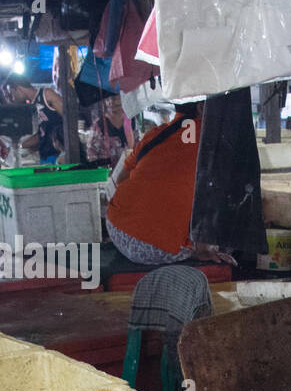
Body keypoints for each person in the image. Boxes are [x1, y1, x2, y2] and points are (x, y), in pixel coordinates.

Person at [105, 102, 230, 266]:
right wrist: (203, 250)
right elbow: (211, 201)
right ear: (201, 107)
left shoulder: (157, 133)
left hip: (116, 227)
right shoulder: (213, 141)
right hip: (152, 248)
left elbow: (120, 179)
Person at [86, 94, 131, 164]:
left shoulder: (132, 122)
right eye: (107, 99)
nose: (111, 102)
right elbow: (91, 155)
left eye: (115, 98)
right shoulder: (98, 126)